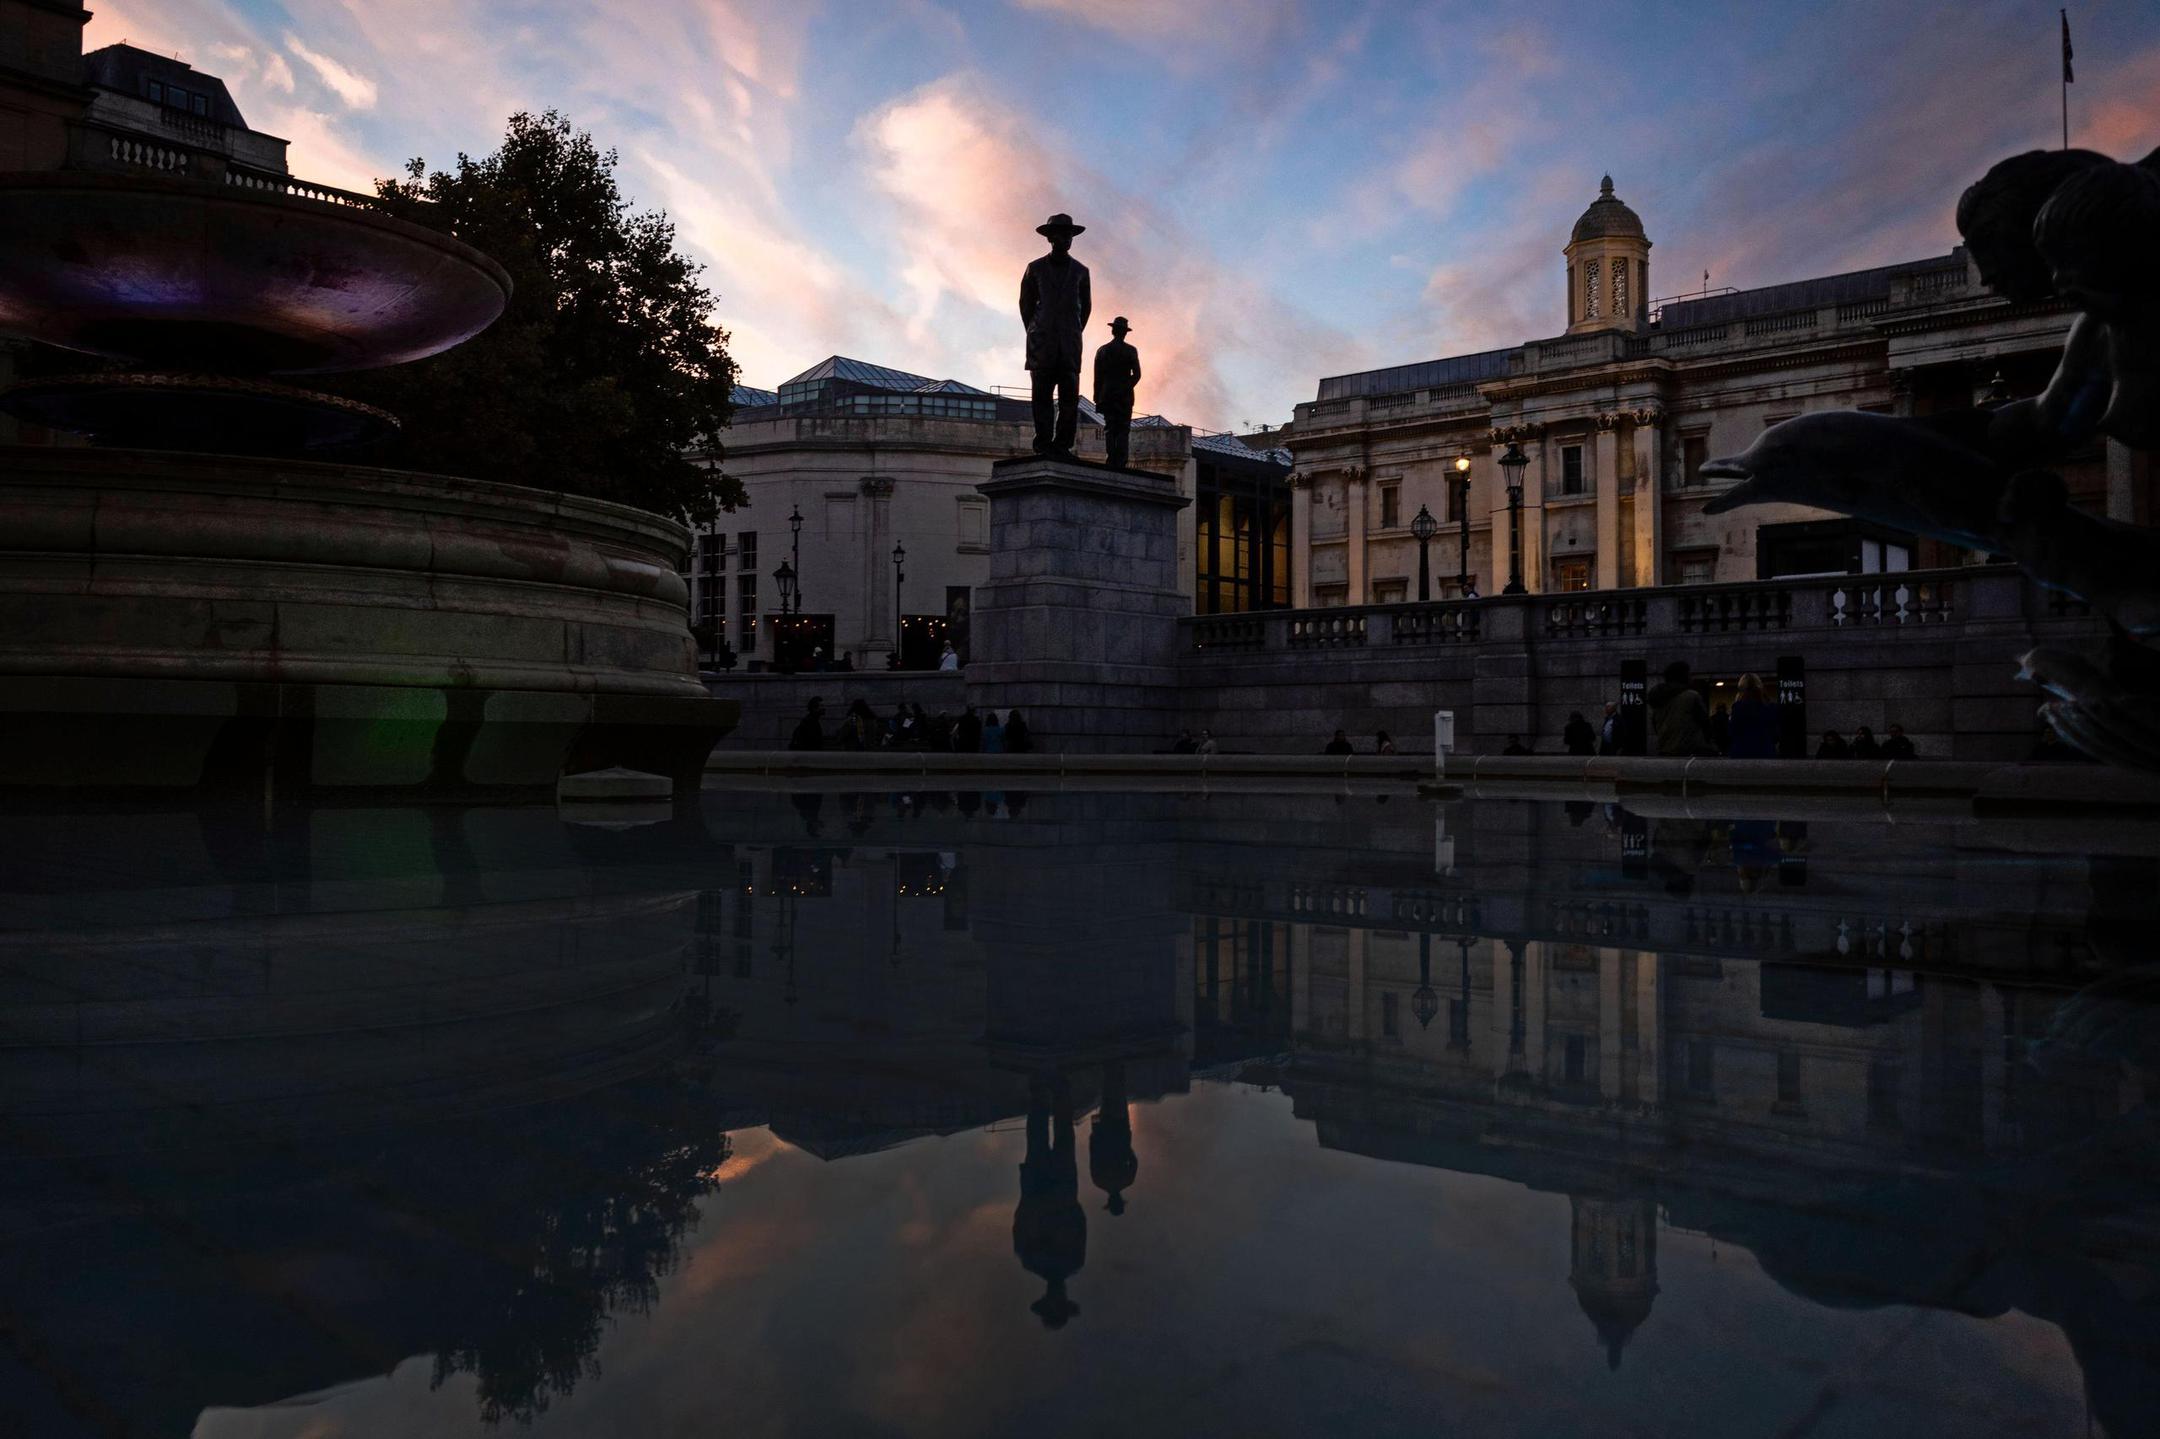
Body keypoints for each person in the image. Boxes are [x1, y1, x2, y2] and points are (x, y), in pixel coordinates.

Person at [1019, 212, 1092, 456]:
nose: (1066, 239)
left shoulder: (1082, 271)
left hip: (1070, 345)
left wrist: (1071, 331)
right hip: (1041, 343)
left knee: (1069, 397)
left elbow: (1086, 308)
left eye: (1069, 235)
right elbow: (1025, 305)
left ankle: (1063, 445)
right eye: (1061, 234)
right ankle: (1043, 444)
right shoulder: (1035, 268)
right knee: (1041, 397)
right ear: (1050, 238)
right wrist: (1037, 329)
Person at [1093, 316, 1142, 470]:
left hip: (1107, 394)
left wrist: (1097, 396)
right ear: (1124, 333)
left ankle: (1111, 459)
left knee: (1110, 428)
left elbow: (1098, 376)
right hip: (1125, 396)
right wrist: (1126, 387)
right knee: (1123, 428)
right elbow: (1137, 375)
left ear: (1113, 330)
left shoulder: (1103, 350)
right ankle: (1121, 461)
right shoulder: (1131, 350)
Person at [1647, 661, 1716, 757]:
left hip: (1664, 749)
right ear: (1683, 676)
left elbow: (1654, 724)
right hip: (1689, 750)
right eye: (1689, 674)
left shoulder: (1657, 696)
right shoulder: (1691, 696)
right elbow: (1705, 724)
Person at [1726, 673, 1779, 759]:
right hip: (1765, 751)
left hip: (1742, 752)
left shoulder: (1738, 707)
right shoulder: (1770, 707)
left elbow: (1732, 731)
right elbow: (1775, 733)